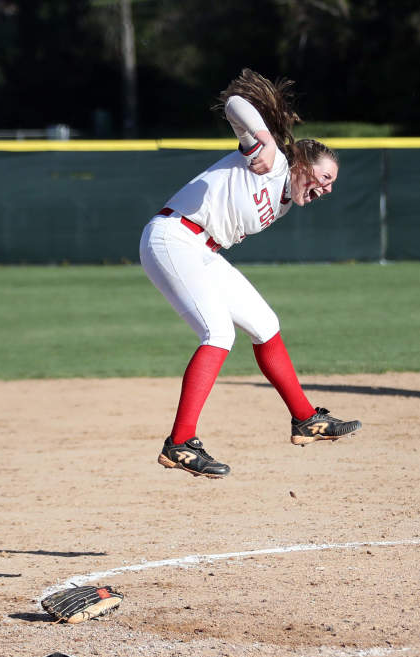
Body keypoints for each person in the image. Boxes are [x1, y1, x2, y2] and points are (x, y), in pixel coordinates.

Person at [139, 68, 362, 477]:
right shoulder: (273, 160)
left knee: (264, 324)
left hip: (202, 250)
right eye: (325, 178)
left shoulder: (285, 200)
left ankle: (305, 419)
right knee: (219, 333)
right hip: (172, 238)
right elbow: (234, 105)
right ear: (302, 163)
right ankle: (180, 444)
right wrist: (261, 137)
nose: (327, 189)